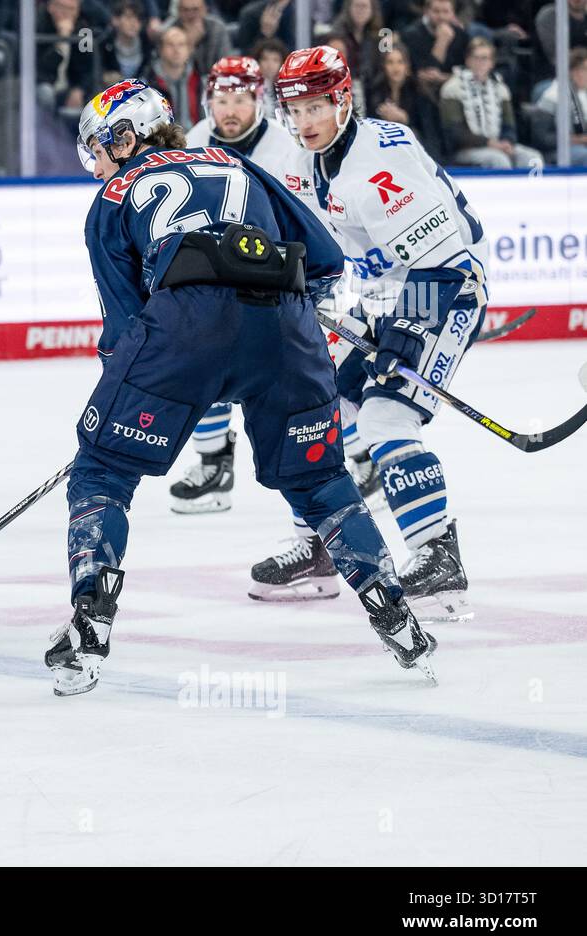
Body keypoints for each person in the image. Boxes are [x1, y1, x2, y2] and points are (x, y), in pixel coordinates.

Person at [50, 76, 436, 696]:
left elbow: (123, 329)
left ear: (127, 136)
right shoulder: (234, 162)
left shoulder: (110, 202)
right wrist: (281, 326)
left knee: (101, 473)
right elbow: (326, 259)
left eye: (99, 147)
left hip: (183, 330)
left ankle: (90, 623)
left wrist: (126, 410)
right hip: (285, 327)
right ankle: (397, 617)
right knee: (319, 480)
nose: (96, 164)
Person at [254, 44, 487, 623]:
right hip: (388, 291)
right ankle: (321, 545)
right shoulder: (311, 161)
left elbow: (441, 260)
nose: (304, 122)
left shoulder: (380, 157)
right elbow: (320, 249)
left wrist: (405, 332)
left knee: (386, 416)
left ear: (342, 100)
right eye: (294, 109)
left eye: (315, 107)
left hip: (446, 287)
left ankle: (437, 556)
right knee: (320, 405)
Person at [172, 55, 316, 515]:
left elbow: (304, 220)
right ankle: (214, 466)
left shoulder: (287, 148)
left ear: (258, 99)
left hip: (284, 276)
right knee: (200, 362)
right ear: (207, 100)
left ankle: (356, 457)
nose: (229, 110)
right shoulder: (195, 140)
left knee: (309, 380)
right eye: (220, 99)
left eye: (239, 99)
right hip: (226, 279)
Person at [439, 35, 543, 170]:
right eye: (476, 58)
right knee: (498, 160)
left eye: (485, 58)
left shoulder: (501, 88)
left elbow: (509, 125)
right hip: (465, 149)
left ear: (492, 62)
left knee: (532, 158)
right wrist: (488, 143)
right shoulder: (452, 88)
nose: (480, 63)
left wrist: (507, 142)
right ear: (468, 60)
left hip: (497, 144)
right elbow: (455, 132)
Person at [366, 43, 445, 162]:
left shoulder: (420, 93)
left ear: (407, 67)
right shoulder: (375, 92)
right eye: (390, 62)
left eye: (400, 62)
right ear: (384, 67)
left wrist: (405, 119)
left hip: (417, 153)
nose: (395, 67)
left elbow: (430, 133)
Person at [400, 0, 469, 94]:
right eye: (436, 11)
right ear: (426, 11)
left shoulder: (461, 35)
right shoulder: (411, 35)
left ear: (453, 13)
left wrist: (443, 78)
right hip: (419, 91)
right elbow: (425, 75)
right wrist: (441, 43)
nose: (441, 17)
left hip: (454, 89)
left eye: (446, 12)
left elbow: (465, 71)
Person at [149, 25, 203, 126]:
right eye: (170, 44)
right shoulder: (148, 82)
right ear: (161, 49)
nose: (176, 50)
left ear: (189, 50)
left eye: (181, 45)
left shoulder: (198, 80)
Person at [169, 0, 233, 77]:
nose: (190, 15)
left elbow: (226, 64)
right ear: (178, 11)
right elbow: (173, 72)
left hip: (214, 82)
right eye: (186, 10)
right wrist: (190, 44)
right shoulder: (170, 32)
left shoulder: (217, 28)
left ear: (204, 10)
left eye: (195, 9)